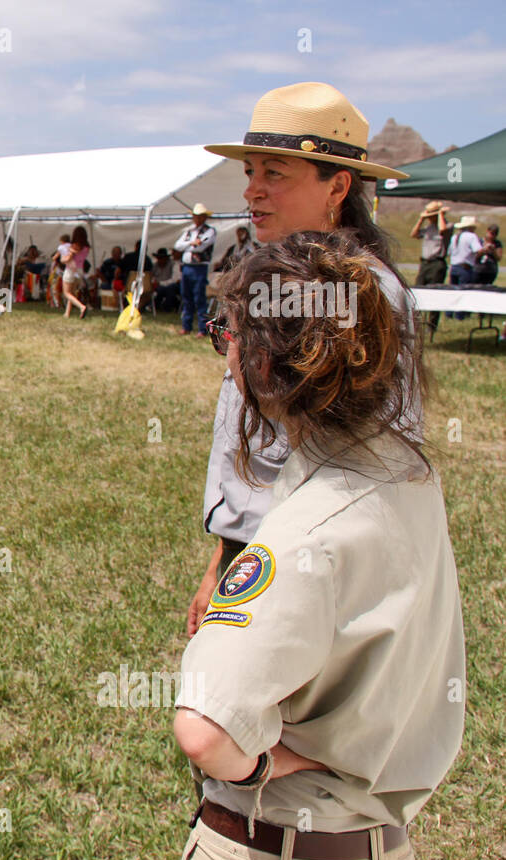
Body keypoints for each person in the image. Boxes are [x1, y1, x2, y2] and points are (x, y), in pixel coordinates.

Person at [176, 230, 462, 860]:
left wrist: (268, 764)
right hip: (381, 852)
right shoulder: (412, 479)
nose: (224, 355)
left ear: (262, 363)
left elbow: (204, 731)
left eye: (228, 335)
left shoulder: (302, 532)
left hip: (273, 844)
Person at [189, 80, 421, 636]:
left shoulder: (360, 294)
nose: (252, 191)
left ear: (337, 185)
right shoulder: (287, 274)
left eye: (275, 173)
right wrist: (224, 558)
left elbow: (331, 457)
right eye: (250, 172)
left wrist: (248, 563)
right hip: (264, 546)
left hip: (308, 553)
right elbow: (257, 442)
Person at [174, 203, 217, 336]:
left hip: (199, 268)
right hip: (187, 267)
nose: (197, 219)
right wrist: (190, 243)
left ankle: (202, 328)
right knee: (186, 296)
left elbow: (200, 247)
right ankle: (186, 326)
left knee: (199, 298)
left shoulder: (210, 231)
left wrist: (187, 246)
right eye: (195, 216)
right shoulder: (189, 232)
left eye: (200, 216)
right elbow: (177, 246)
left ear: (204, 217)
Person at [410, 201, 452, 329]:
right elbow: (414, 234)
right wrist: (421, 219)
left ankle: (432, 324)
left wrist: (439, 215)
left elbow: (442, 230)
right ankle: (415, 322)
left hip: (437, 262)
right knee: (418, 290)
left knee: (435, 292)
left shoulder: (448, 225)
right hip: (425, 263)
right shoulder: (428, 228)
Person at [447, 216, 483, 320]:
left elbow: (449, 252)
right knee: (463, 292)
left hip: (454, 266)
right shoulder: (471, 236)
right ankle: (459, 315)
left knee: (452, 291)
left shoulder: (455, 237)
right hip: (465, 267)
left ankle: (449, 313)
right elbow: (477, 250)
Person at [61, 233, 91, 319]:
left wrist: (67, 254)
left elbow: (67, 259)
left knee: (66, 293)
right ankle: (67, 313)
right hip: (79, 271)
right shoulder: (86, 248)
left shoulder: (73, 246)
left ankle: (81, 307)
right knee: (72, 293)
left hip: (70, 271)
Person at [152, 247, 180, 311]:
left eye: (162, 258)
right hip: (158, 286)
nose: (160, 260)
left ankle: (167, 307)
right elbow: (151, 276)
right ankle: (157, 306)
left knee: (170, 288)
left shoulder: (173, 264)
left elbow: (175, 279)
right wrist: (154, 282)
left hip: (170, 285)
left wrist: (160, 283)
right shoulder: (155, 266)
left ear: (166, 258)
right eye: (159, 258)